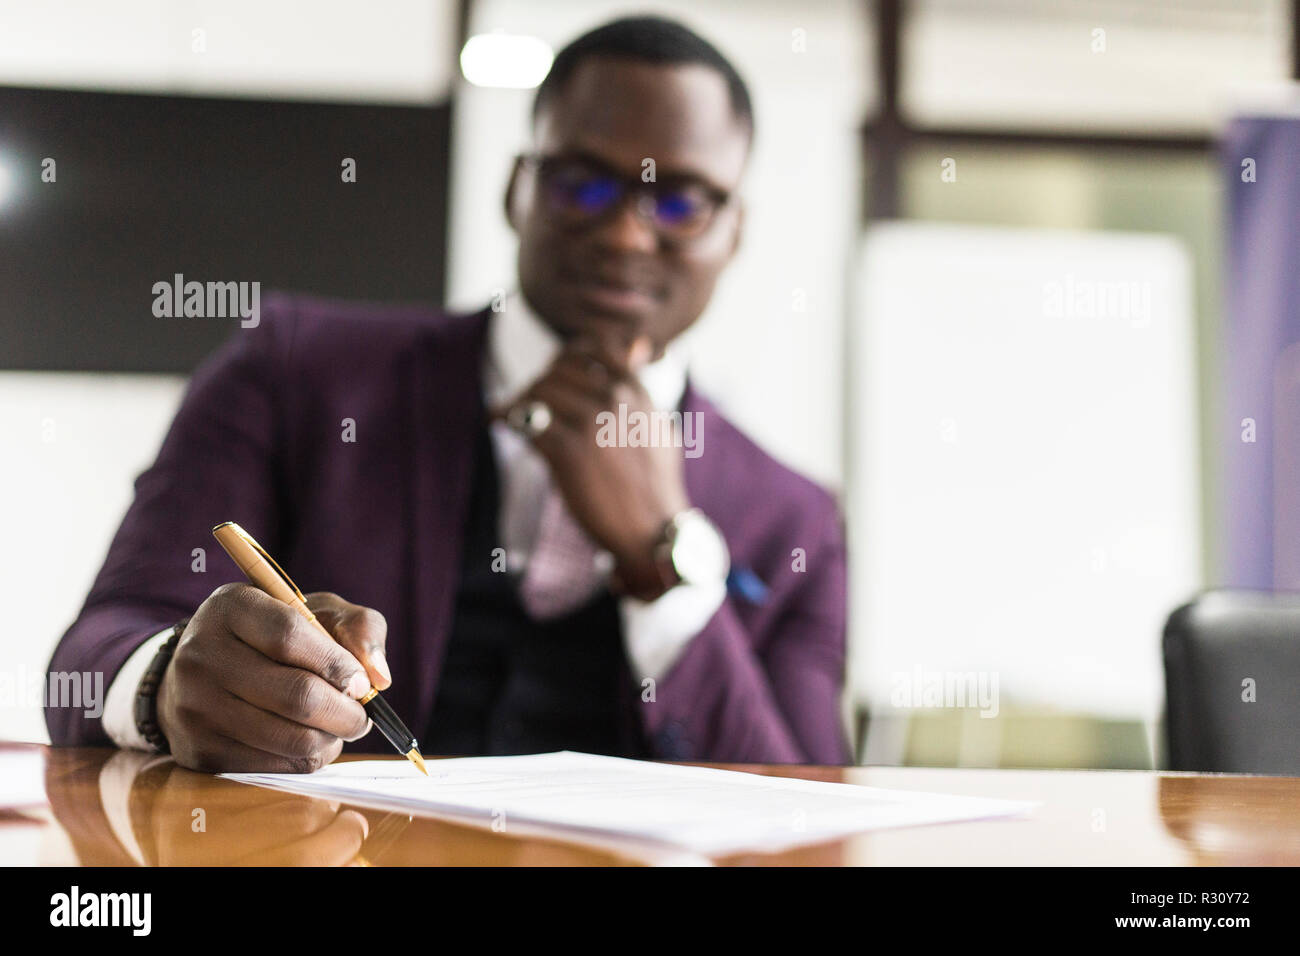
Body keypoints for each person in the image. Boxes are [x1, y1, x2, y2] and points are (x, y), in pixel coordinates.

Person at [45, 15, 850, 770]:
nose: (627, 234)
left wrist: (662, 562)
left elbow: (810, 809)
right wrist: (166, 687)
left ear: (733, 230)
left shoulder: (795, 520)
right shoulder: (291, 370)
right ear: (517, 191)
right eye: (584, 186)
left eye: (679, 200)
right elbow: (94, 654)